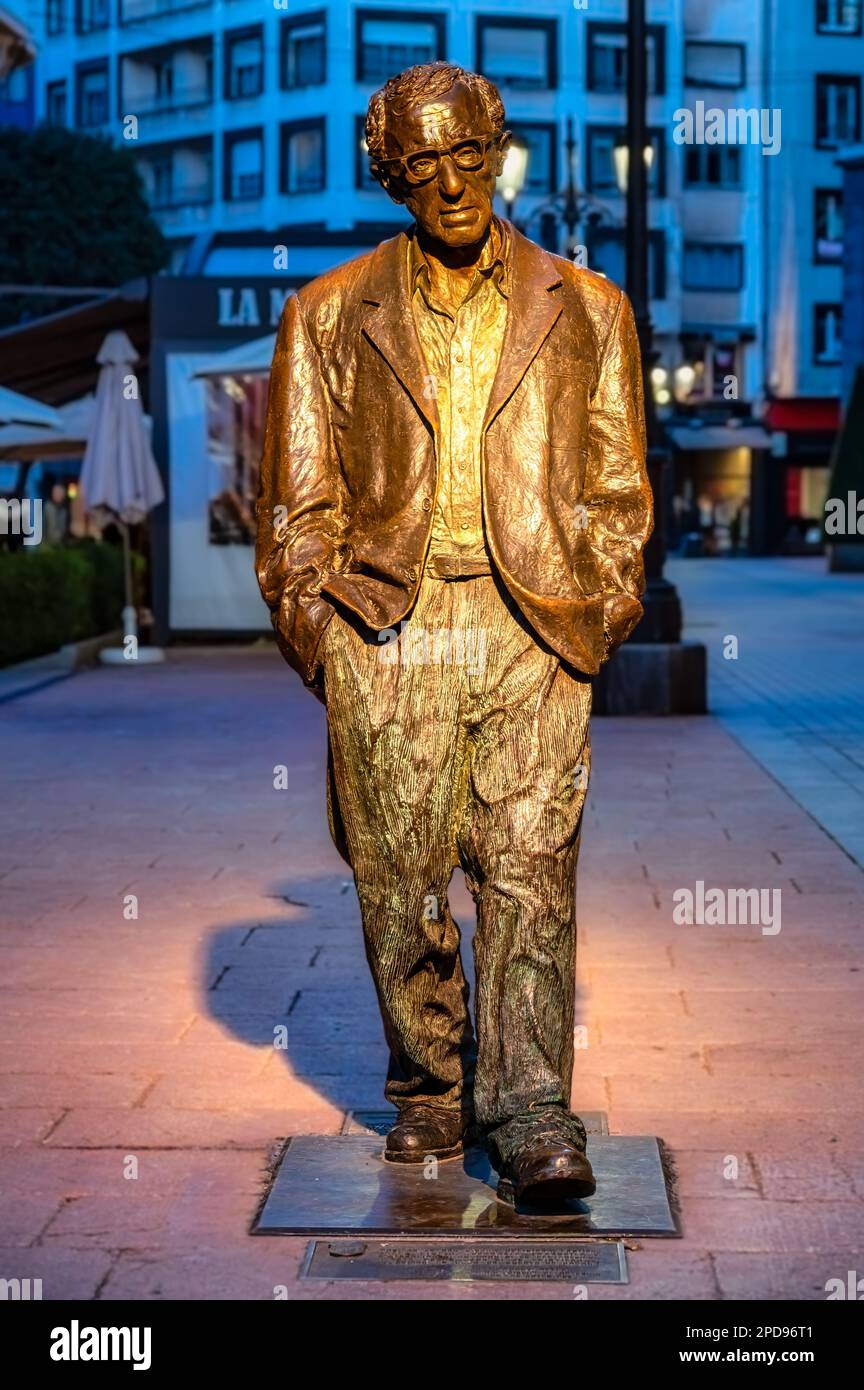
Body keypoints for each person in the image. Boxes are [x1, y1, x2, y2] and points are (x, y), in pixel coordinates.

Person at [256, 62, 652, 1205]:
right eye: (421, 164)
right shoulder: (328, 314)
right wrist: (324, 635)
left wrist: (599, 613)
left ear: (498, 147)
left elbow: (620, 490)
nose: (451, 182)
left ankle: (532, 1111)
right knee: (402, 882)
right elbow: (298, 508)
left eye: (467, 153)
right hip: (391, 625)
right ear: (391, 175)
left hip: (534, 627)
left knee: (534, 873)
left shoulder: (589, 307)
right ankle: (429, 1083)